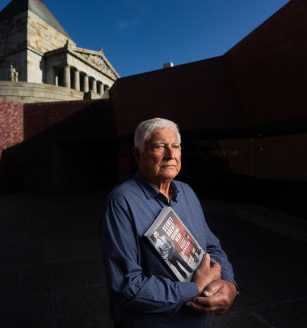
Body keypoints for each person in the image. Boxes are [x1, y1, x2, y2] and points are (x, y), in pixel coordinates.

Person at [100, 117, 238, 327]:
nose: (171, 155)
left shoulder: (187, 192)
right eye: (159, 146)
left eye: (175, 146)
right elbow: (126, 287)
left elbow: (212, 247)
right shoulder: (121, 202)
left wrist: (229, 285)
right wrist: (195, 287)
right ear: (138, 154)